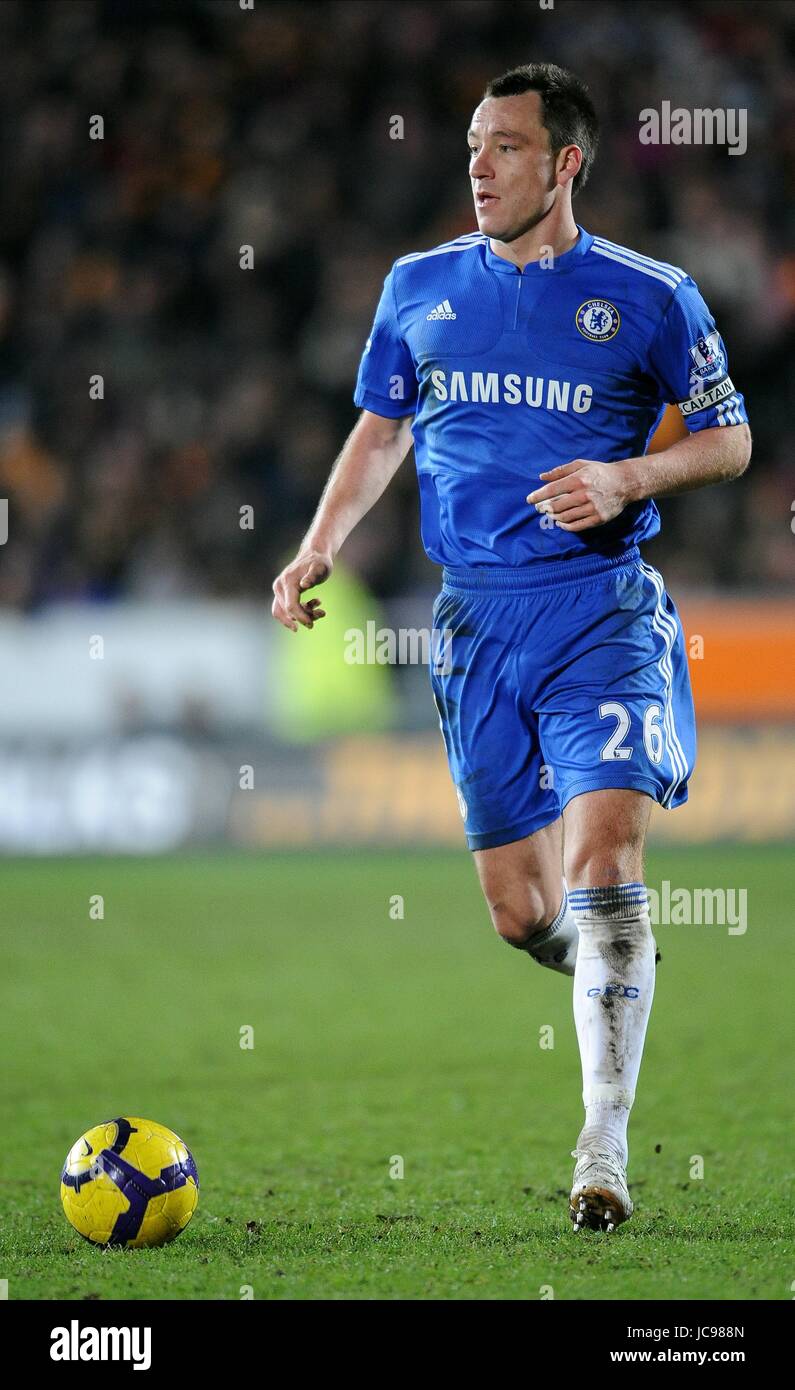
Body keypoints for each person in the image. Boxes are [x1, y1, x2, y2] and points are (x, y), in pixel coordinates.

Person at [271, 62, 751, 1232]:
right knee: (518, 908)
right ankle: (611, 969)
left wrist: (631, 473)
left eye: (504, 147)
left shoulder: (650, 295)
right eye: (473, 145)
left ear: (566, 162)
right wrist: (319, 542)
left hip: (600, 613)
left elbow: (730, 439)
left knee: (603, 861)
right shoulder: (420, 284)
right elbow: (381, 428)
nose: (477, 166)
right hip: (475, 621)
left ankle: (602, 1144)